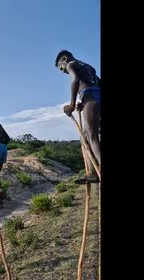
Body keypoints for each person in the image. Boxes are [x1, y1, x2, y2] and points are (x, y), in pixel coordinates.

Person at [55, 50, 101, 184]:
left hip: (90, 96)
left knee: (91, 136)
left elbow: (74, 80)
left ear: (64, 59)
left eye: (61, 67)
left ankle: (96, 170)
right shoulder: (87, 67)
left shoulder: (71, 64)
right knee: (86, 137)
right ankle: (93, 172)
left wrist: (72, 104)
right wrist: (85, 103)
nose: (63, 71)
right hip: (94, 97)